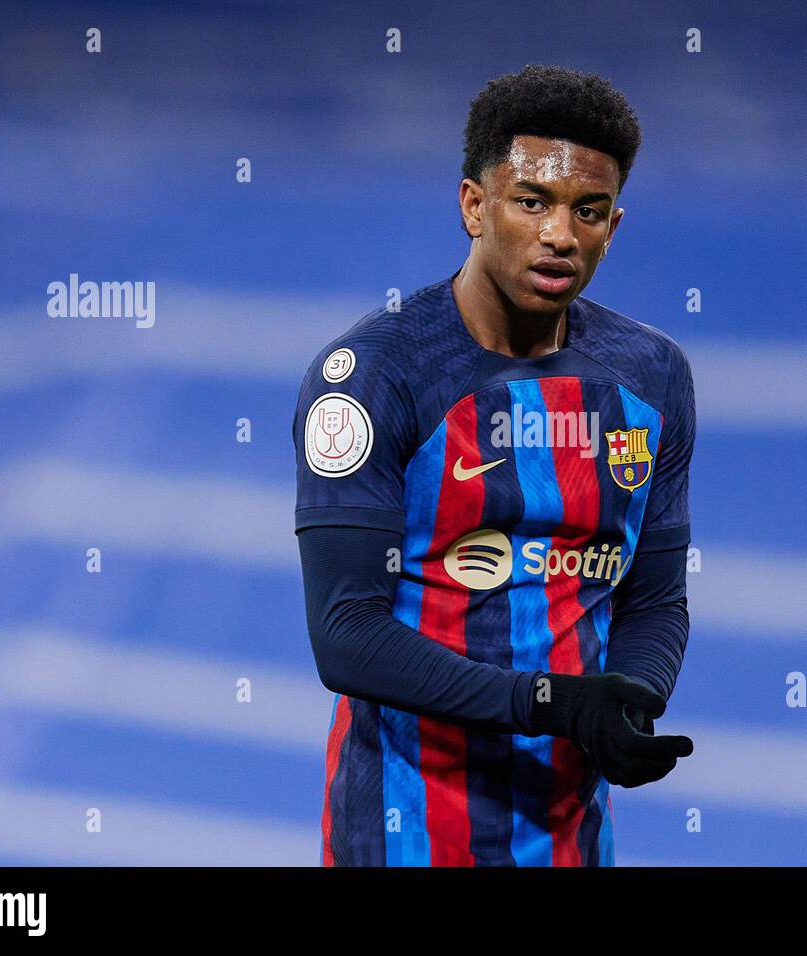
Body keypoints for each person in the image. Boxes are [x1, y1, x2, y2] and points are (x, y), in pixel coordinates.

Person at [294, 64, 695, 866]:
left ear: (613, 225)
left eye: (587, 212)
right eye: (532, 202)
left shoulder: (650, 375)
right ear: (475, 206)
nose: (560, 235)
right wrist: (550, 703)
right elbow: (347, 635)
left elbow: (654, 599)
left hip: (570, 839)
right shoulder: (377, 374)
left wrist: (628, 702)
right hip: (405, 830)